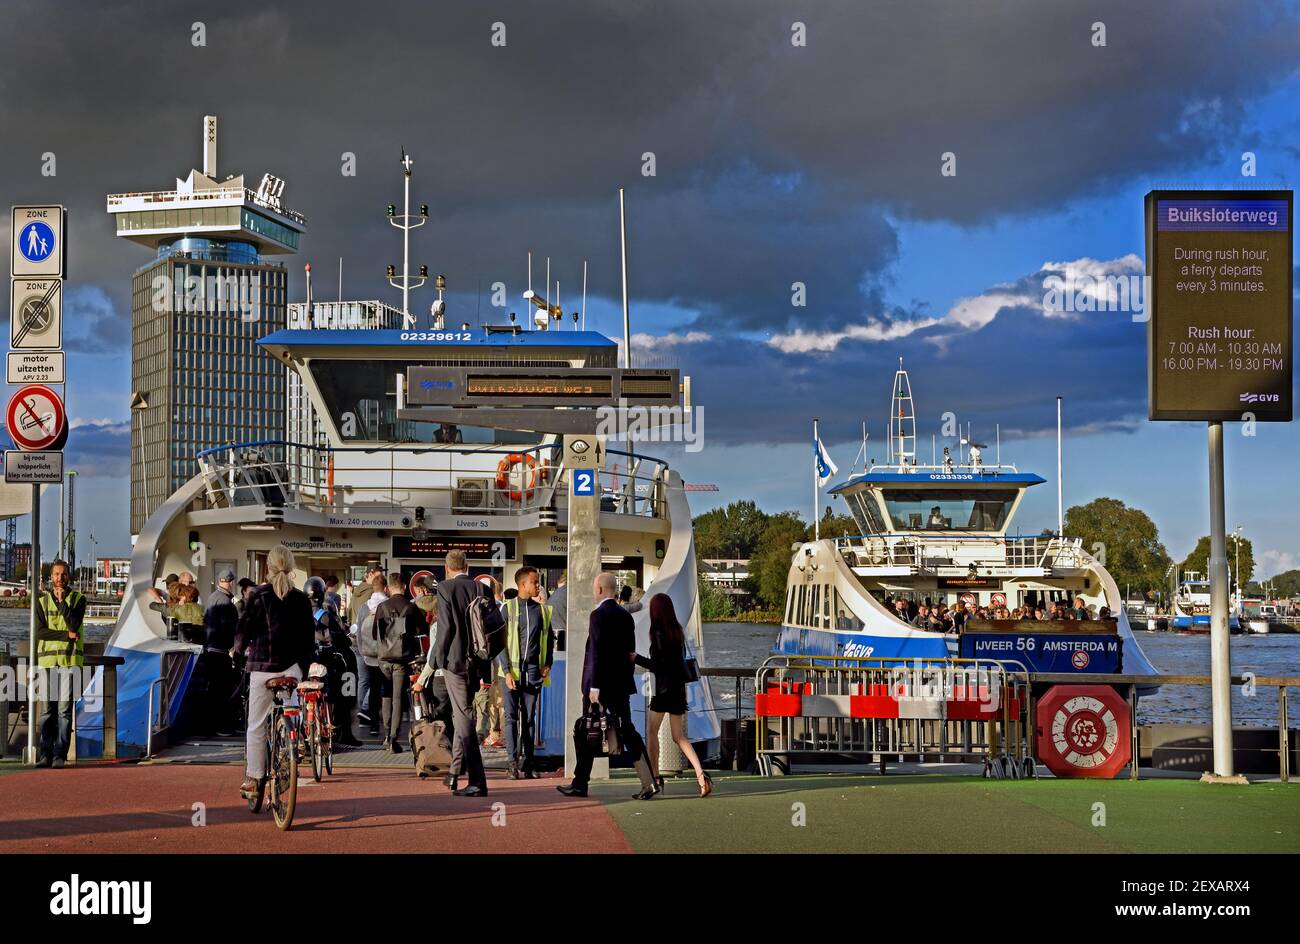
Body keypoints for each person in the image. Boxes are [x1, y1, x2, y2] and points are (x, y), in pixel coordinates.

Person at [557, 572, 657, 800]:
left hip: (600, 687)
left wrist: (594, 687)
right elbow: (630, 655)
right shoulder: (625, 617)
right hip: (621, 685)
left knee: (586, 731)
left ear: (600, 590)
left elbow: (596, 653)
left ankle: (580, 783)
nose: (594, 592)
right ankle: (648, 781)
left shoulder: (597, 616)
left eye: (594, 588)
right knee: (629, 731)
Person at [233, 545, 315, 798]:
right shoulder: (302, 599)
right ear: (291, 568)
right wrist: (304, 667)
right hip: (291, 669)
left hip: (262, 667)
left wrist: (237, 653)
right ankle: (290, 746)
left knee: (256, 725)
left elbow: (243, 631)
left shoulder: (257, 595)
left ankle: (255, 777)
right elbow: (307, 639)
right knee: (290, 710)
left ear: (267, 567)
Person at [636, 593, 712, 797]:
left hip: (663, 691)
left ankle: (655, 776)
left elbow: (659, 665)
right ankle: (701, 774)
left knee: (651, 732)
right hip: (678, 689)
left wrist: (637, 658)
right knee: (679, 736)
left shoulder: (659, 633)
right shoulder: (676, 631)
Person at [436, 549, 490, 797]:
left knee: (464, 716)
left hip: (454, 662)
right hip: (477, 661)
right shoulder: (481, 589)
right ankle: (455, 772)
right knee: (462, 714)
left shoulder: (445, 588)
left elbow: (445, 628)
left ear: (447, 568)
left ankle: (478, 780)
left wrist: (438, 657)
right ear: (467, 565)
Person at [496, 566, 554, 779]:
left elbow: (548, 640)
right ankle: (512, 763)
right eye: (535, 582)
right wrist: (507, 672)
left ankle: (528, 764)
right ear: (523, 585)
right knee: (511, 718)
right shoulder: (507, 608)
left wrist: (548, 663)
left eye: (538, 582)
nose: (538, 585)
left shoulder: (542, 610)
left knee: (529, 719)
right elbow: (500, 643)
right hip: (510, 673)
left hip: (532, 672)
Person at [34, 560, 87, 768]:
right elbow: (40, 632)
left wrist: (63, 603)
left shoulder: (78, 599)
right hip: (47, 661)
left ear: (69, 576)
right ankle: (44, 753)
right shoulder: (42, 602)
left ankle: (59, 755)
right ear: (51, 576)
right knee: (47, 710)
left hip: (69, 660)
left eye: (63, 574)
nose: (59, 578)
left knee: (64, 710)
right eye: (56, 574)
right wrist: (67, 635)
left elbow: (75, 623)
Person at [305, 576, 362, 747]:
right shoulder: (327, 615)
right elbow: (343, 640)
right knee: (345, 692)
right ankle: (345, 733)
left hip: (305, 663)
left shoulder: (298, 614)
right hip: (328, 662)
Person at [374, 573, 423, 752]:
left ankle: (386, 734)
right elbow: (421, 630)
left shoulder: (381, 608)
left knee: (386, 696)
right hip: (402, 659)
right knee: (397, 698)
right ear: (403, 587)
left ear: (388, 588)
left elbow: (375, 634)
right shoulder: (410, 608)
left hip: (383, 659)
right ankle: (394, 736)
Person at [199, 570, 241, 736]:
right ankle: (221, 726)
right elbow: (230, 629)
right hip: (221, 652)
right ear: (231, 582)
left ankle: (210, 726)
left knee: (213, 690)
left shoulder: (212, 598)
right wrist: (234, 647)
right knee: (223, 690)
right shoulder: (226, 603)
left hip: (210, 649)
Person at [355, 571, 388, 737]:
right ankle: (389, 726)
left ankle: (372, 723)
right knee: (387, 689)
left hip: (368, 655)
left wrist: (362, 651)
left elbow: (359, 631)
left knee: (371, 687)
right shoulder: (388, 605)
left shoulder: (364, 607)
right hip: (387, 655)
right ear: (386, 588)